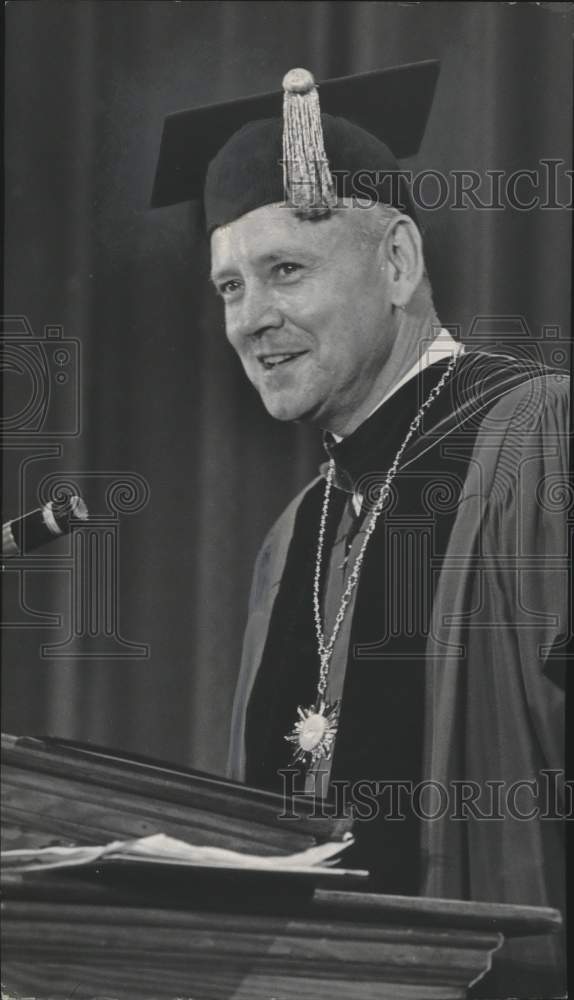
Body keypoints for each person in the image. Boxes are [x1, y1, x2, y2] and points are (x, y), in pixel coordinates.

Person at [153, 62, 568, 996]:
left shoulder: (543, 441)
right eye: (227, 287)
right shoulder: (295, 535)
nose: (252, 320)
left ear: (398, 262)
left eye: (285, 270)